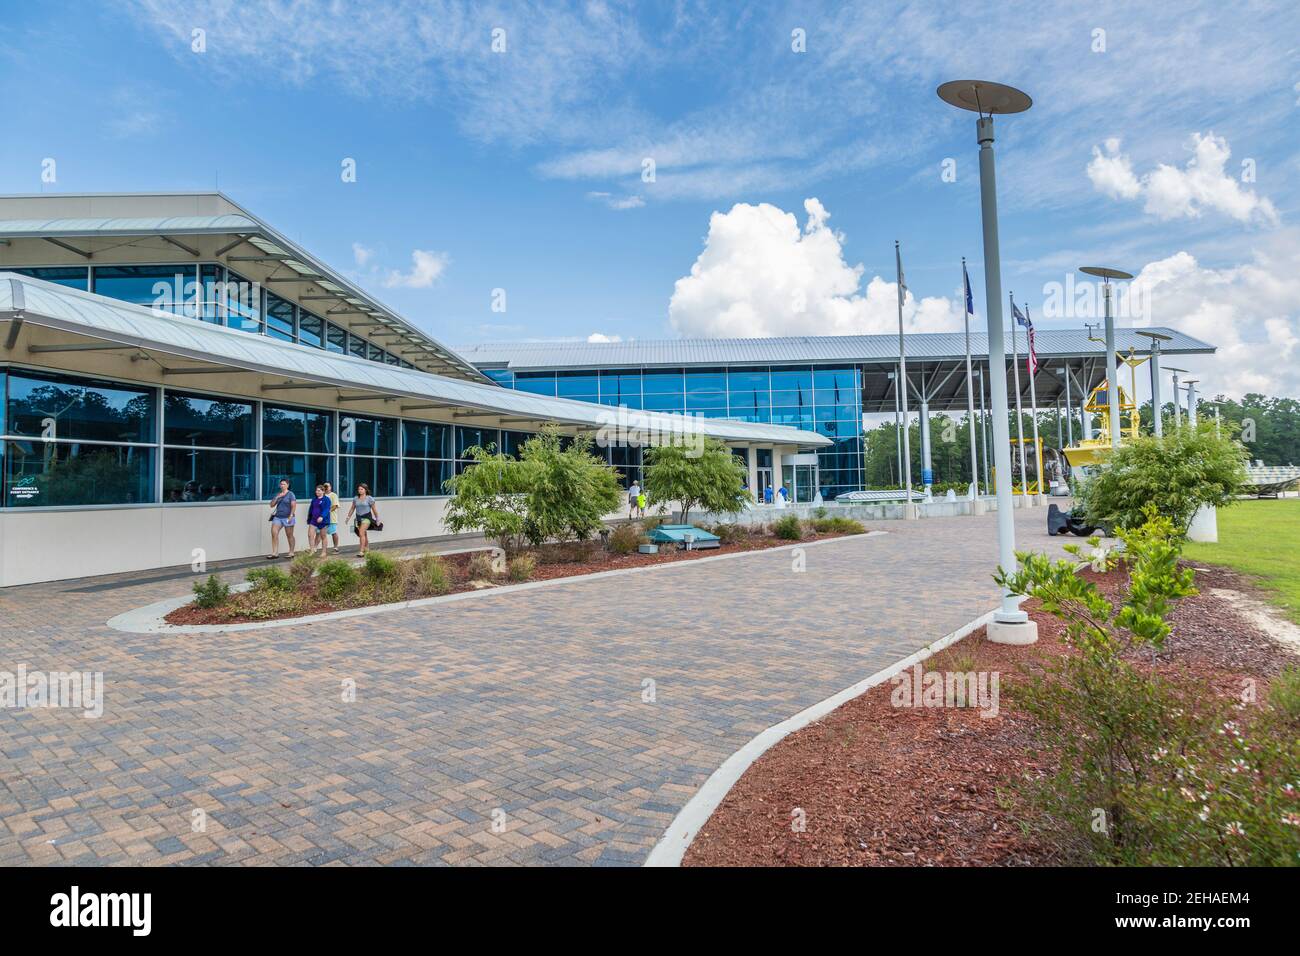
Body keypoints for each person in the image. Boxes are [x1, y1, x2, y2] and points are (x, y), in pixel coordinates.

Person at [346, 482, 380, 558]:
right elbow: (352, 508)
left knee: (361, 533)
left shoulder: (369, 498)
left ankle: (361, 551)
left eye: (362, 489)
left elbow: (374, 510)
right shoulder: (355, 498)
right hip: (358, 518)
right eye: (359, 489)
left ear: (365, 490)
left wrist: (377, 519)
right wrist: (348, 517)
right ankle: (367, 548)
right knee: (362, 534)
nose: (360, 490)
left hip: (367, 517)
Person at [268, 479, 297, 559]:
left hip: (288, 517)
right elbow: (271, 505)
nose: (282, 485)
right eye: (281, 484)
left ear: (287, 485)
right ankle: (275, 553)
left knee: (289, 535)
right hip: (278, 517)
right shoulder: (278, 494)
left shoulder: (291, 494)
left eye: (284, 484)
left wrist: (290, 516)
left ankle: (291, 552)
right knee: (274, 533)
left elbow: (293, 506)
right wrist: (277, 497)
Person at [307, 484, 331, 557]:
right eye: (316, 490)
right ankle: (312, 550)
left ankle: (324, 552)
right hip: (313, 520)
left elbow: (326, 509)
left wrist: (322, 516)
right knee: (310, 534)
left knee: (323, 536)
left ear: (323, 491)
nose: (317, 492)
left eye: (319, 490)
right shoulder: (314, 499)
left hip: (323, 520)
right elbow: (311, 509)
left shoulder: (326, 499)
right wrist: (309, 518)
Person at [322, 481, 341, 554]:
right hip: (322, 519)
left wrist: (326, 512)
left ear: (330, 487)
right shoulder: (321, 495)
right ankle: (314, 548)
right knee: (319, 533)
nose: (326, 487)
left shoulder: (333, 495)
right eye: (325, 486)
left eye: (328, 486)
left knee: (333, 532)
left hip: (332, 518)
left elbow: (335, 506)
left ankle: (335, 548)